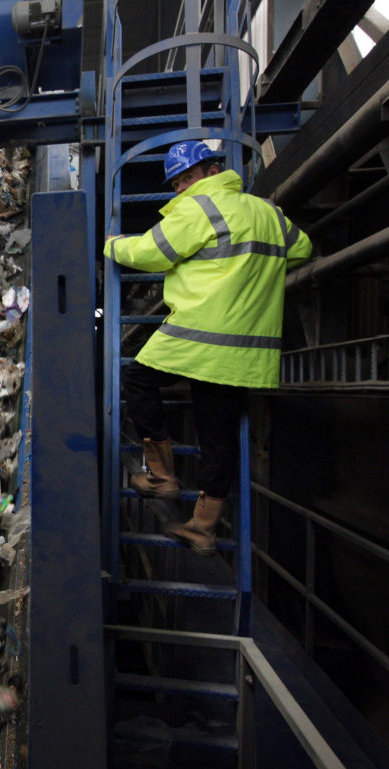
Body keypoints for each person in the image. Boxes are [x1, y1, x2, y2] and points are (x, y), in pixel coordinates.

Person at [105, 140, 312, 555]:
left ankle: (163, 477)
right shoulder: (268, 213)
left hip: (198, 338)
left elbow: (150, 252)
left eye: (186, 177)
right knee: (217, 437)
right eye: (177, 182)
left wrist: (113, 243)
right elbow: (303, 249)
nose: (181, 187)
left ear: (211, 170)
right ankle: (203, 528)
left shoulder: (200, 208)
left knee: (137, 379)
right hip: (247, 350)